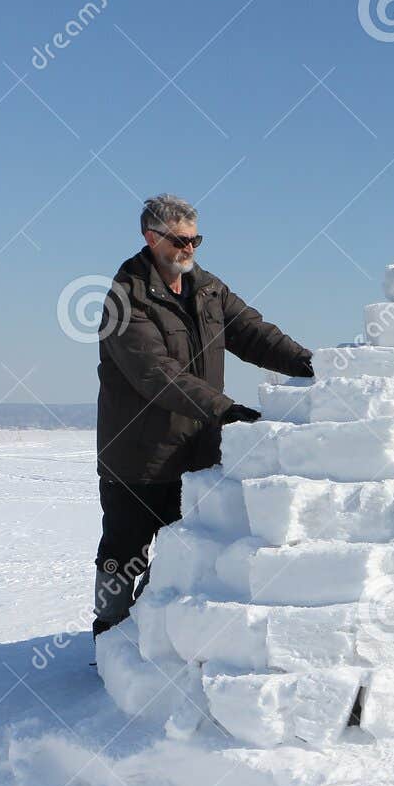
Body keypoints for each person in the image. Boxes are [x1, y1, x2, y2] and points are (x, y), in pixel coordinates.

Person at [92, 194, 313, 635]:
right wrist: (225, 409)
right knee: (123, 554)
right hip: (137, 458)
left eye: (196, 240)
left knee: (183, 553)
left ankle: (154, 634)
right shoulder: (125, 299)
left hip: (196, 455)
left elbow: (254, 334)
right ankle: (109, 635)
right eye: (180, 240)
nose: (189, 248)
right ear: (151, 238)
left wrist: (312, 365)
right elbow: (156, 373)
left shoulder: (208, 289)